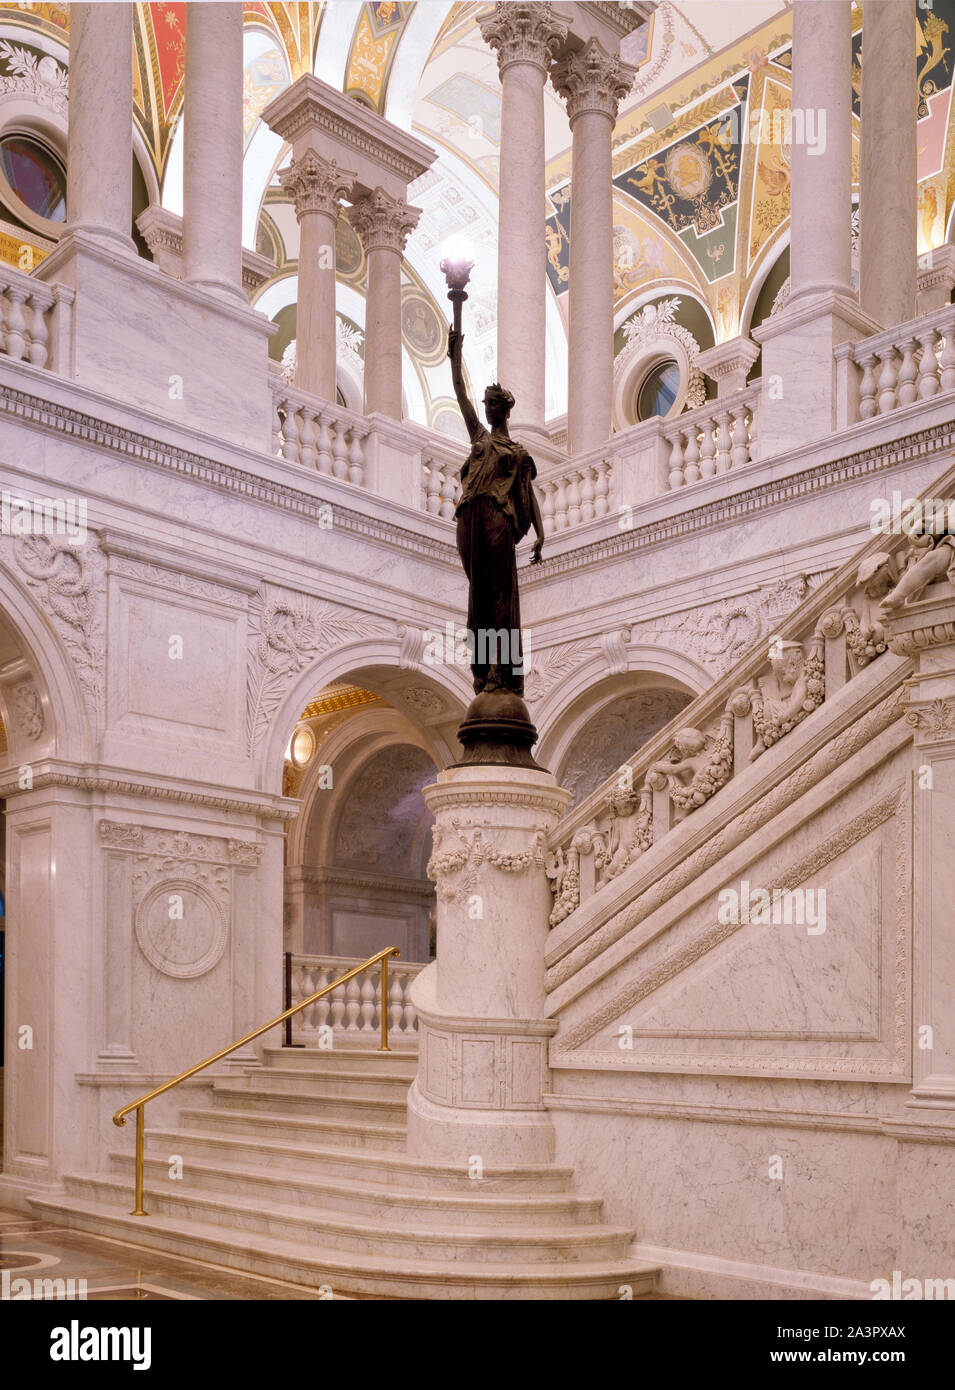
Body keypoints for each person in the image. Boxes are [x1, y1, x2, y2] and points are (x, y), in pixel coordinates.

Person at [448, 326, 544, 696]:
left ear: (505, 408)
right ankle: (483, 666)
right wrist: (455, 359)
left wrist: (541, 533)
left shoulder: (517, 452)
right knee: (480, 597)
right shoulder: (478, 439)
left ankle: (499, 671)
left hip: (498, 519)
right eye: (485, 403)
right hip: (470, 518)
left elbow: (528, 494)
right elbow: (461, 396)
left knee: (500, 595)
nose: (486, 409)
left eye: (492, 404)